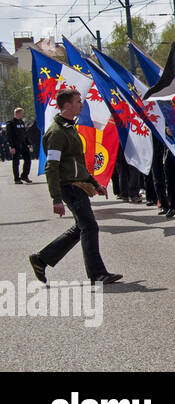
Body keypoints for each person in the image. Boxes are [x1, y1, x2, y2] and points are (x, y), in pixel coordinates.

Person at [29, 88, 121, 285]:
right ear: (67, 105)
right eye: (78, 101)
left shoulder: (69, 128)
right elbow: (51, 167)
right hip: (69, 187)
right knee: (89, 226)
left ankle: (42, 259)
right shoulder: (57, 133)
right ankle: (97, 273)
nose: (81, 104)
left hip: (78, 185)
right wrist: (56, 198)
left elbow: (78, 164)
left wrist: (95, 184)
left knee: (82, 227)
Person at [6, 107, 33, 184]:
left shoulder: (21, 122)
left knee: (28, 159)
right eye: (22, 113)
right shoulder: (10, 123)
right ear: (17, 113)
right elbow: (9, 135)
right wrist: (11, 146)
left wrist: (29, 143)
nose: (23, 115)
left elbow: (25, 134)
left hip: (23, 144)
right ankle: (17, 179)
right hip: (15, 145)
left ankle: (24, 176)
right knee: (16, 162)